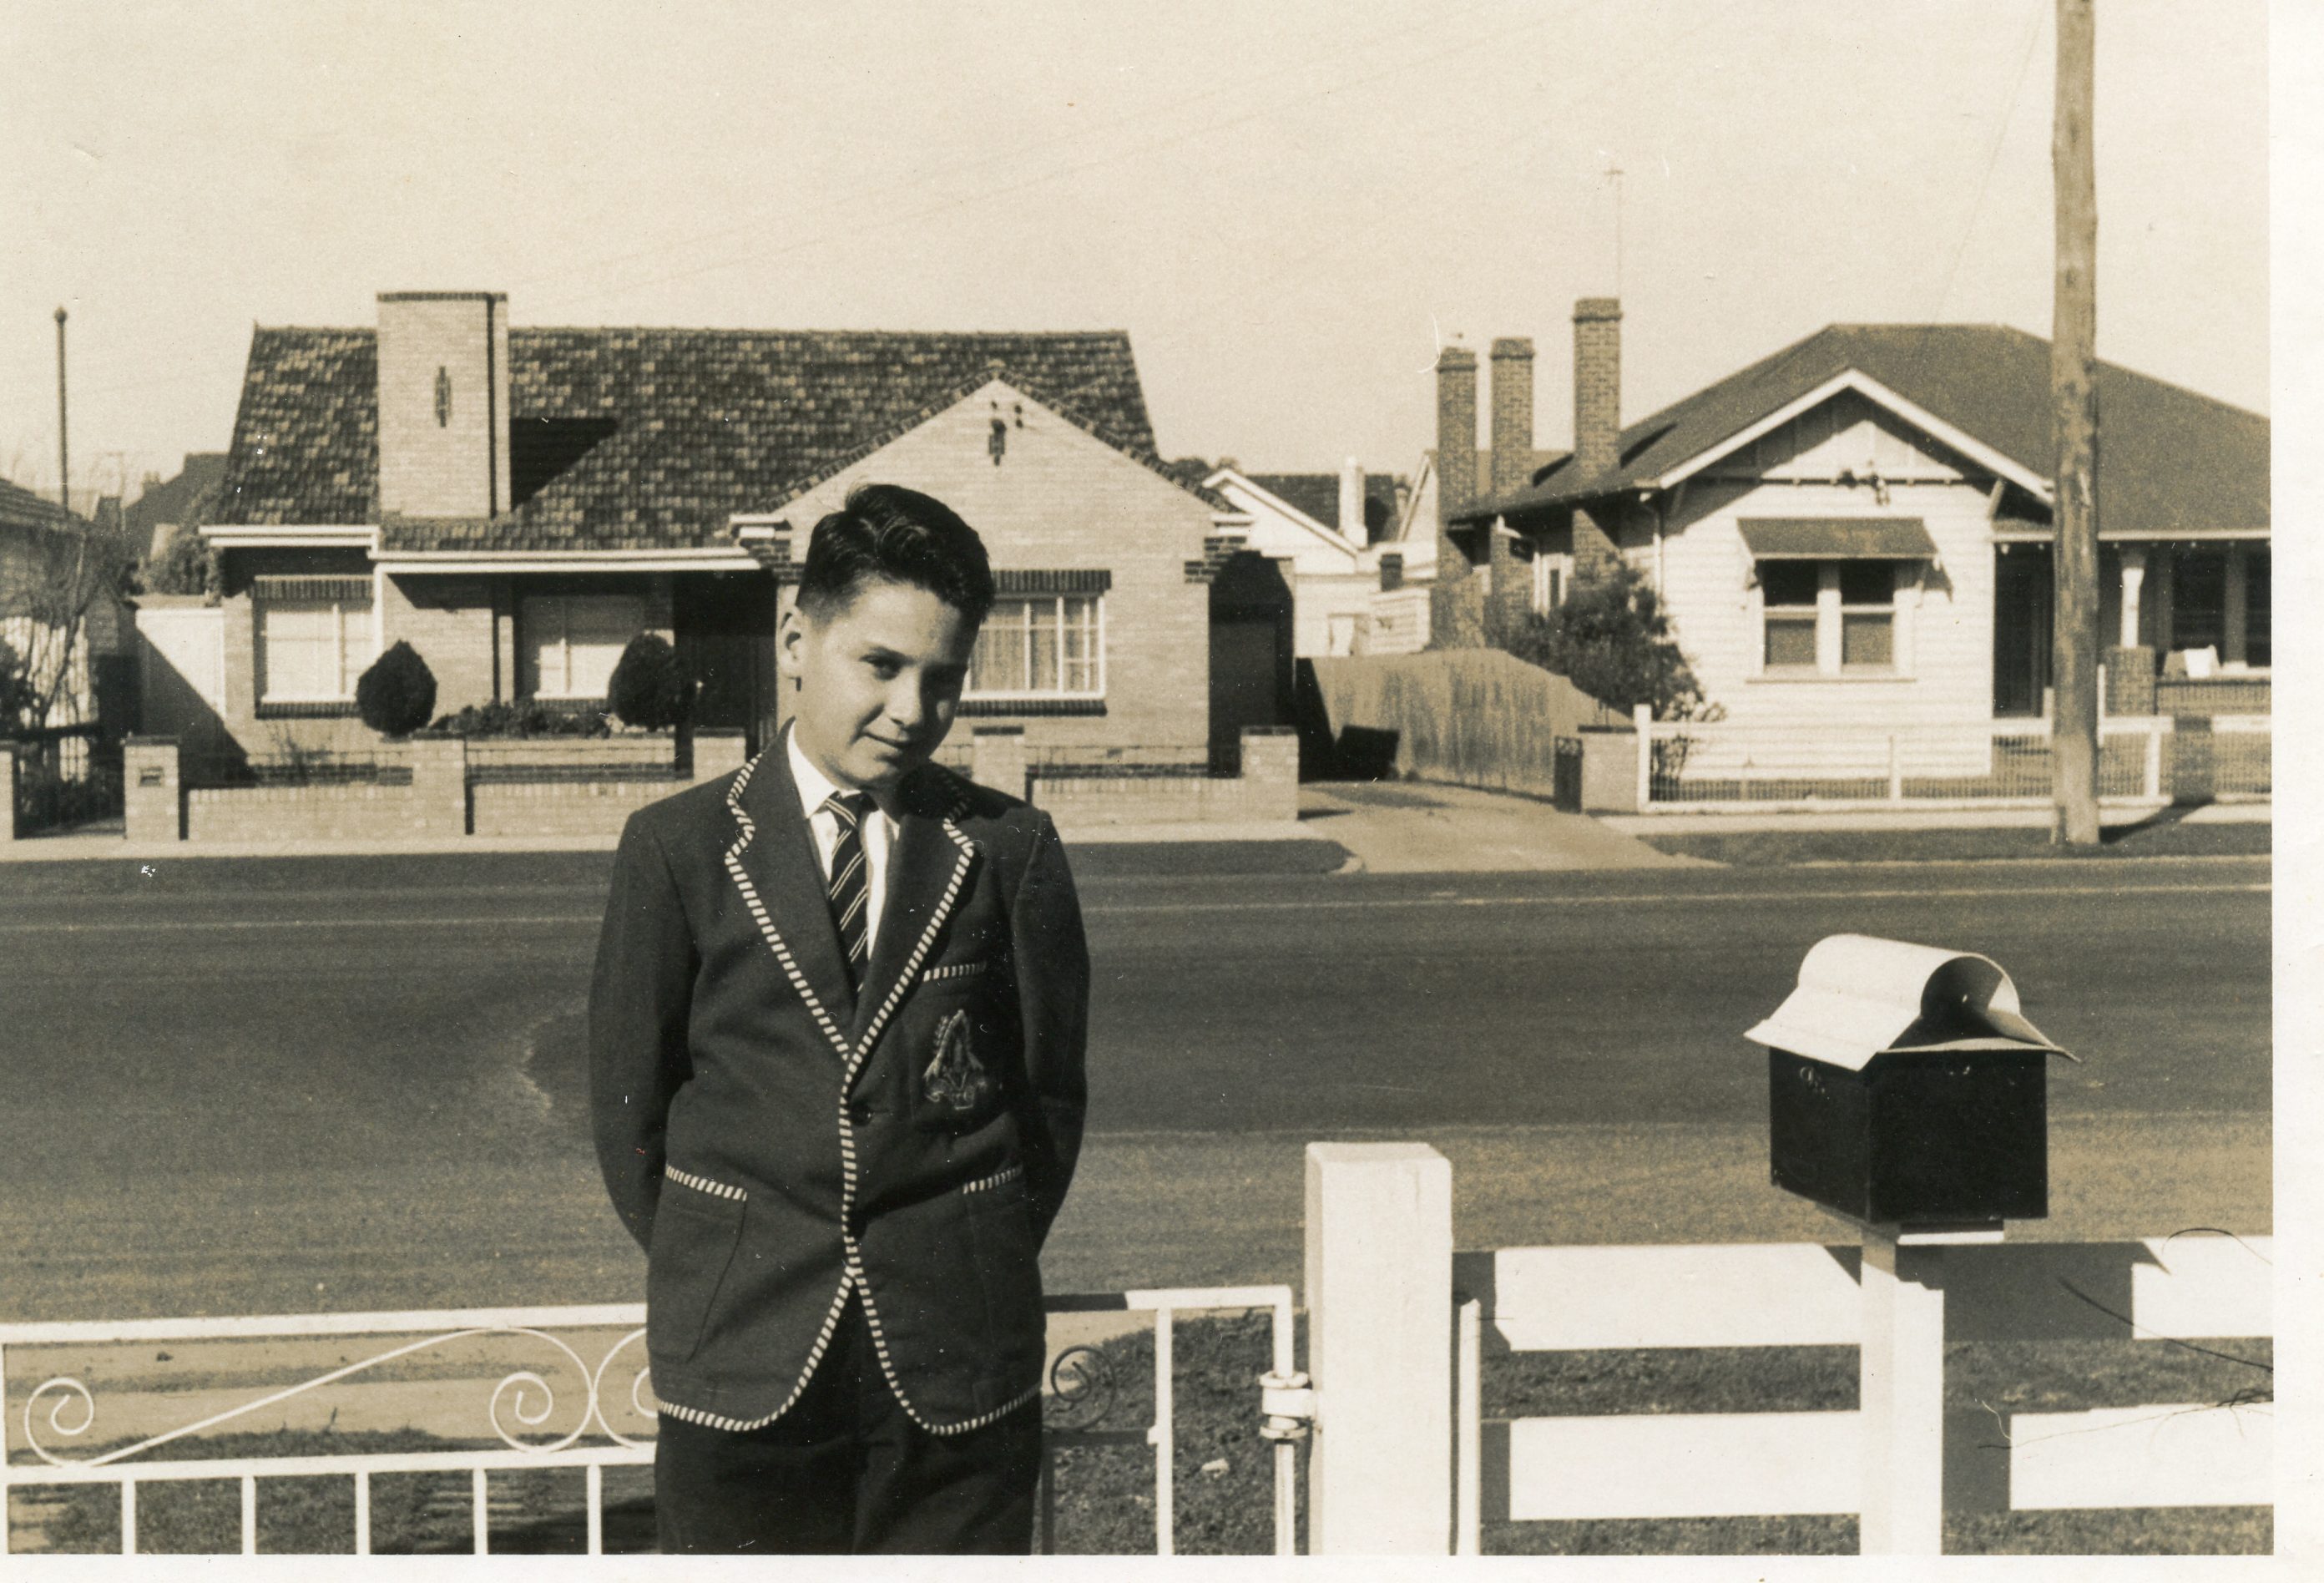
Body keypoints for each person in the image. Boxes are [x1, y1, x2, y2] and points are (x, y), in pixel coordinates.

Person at [588, 481, 1090, 1554]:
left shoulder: (1009, 851)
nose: (914, 709)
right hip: (744, 1358)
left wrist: (957, 1251)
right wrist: (734, 1249)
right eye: (882, 665)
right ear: (793, 638)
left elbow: (1048, 1101)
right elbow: (631, 1116)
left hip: (956, 1369)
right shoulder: (677, 852)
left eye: (944, 678)